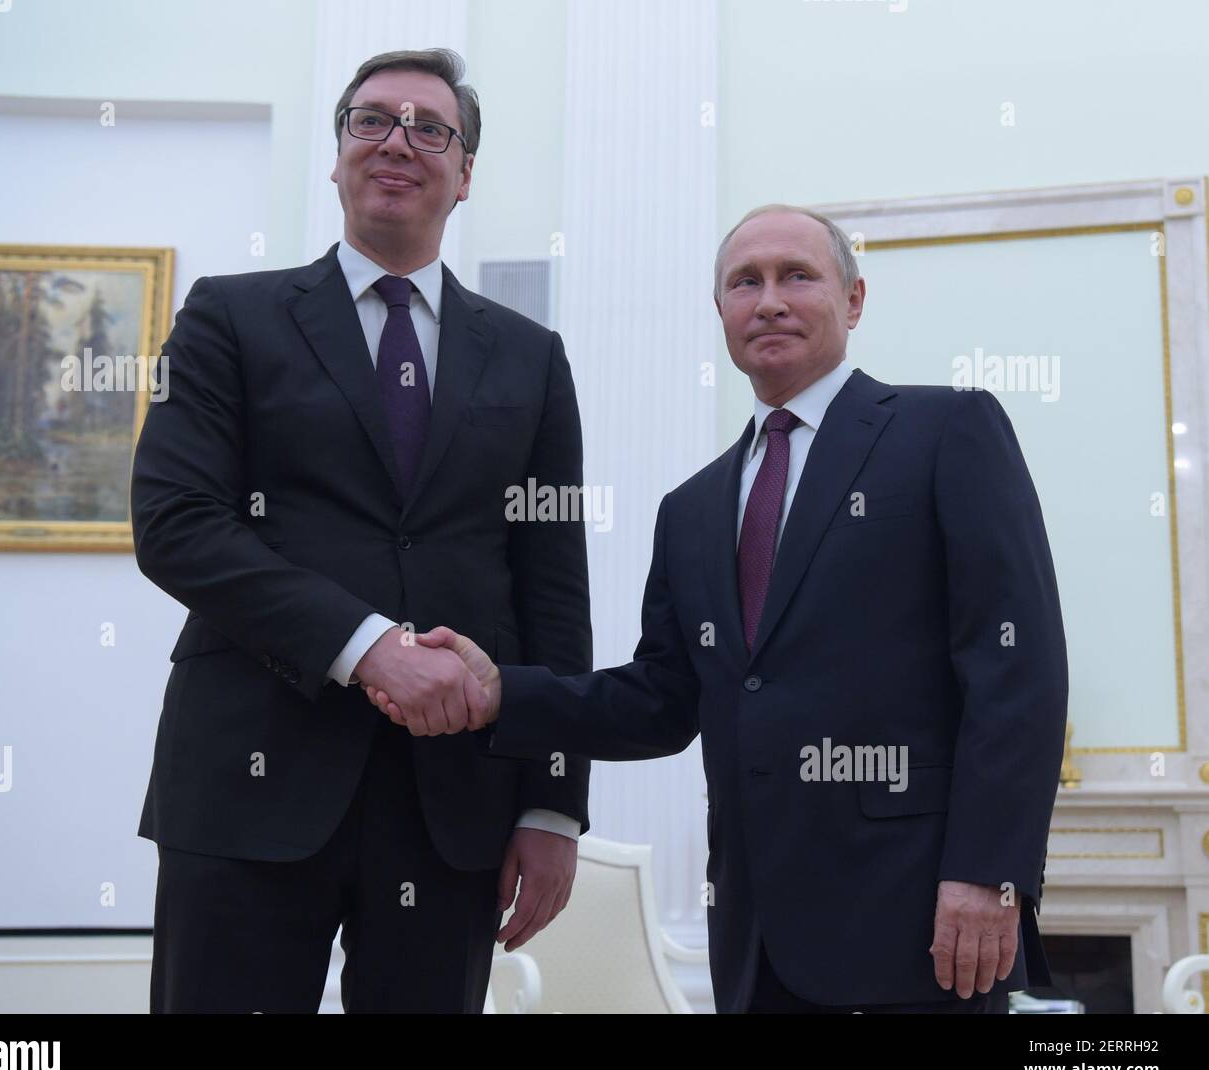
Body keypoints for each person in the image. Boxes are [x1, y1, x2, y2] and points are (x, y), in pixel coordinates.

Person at [369, 204, 1068, 1014]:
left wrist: (989, 872)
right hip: (755, 943)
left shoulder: (947, 429)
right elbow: (662, 701)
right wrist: (502, 693)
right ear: (721, 311)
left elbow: (1017, 669)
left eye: (796, 276)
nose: (768, 301)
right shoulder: (692, 508)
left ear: (853, 300)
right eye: (745, 282)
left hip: (923, 928)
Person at [132, 48, 592, 1013]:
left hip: (453, 800)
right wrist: (369, 647)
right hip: (249, 774)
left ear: (464, 174)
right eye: (371, 120)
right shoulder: (229, 317)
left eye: (430, 128)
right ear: (337, 154)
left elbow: (553, 585)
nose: (397, 141)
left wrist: (554, 802)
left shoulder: (531, 356)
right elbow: (177, 523)